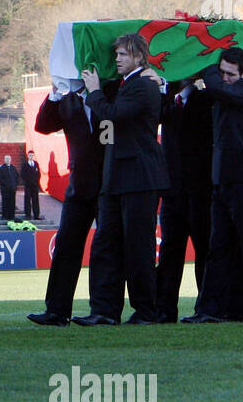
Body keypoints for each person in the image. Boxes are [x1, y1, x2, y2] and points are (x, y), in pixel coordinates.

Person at [73, 33, 169, 326]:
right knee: (106, 245)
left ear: (140, 57)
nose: (116, 60)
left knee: (138, 247)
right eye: (115, 55)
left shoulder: (144, 87)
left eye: (123, 55)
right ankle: (104, 310)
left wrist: (94, 90)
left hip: (140, 178)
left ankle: (146, 311)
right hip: (117, 178)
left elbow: (112, 115)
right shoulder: (130, 85)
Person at [181, 49, 243, 323]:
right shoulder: (225, 92)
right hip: (224, 181)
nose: (224, 78)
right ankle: (209, 309)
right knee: (218, 248)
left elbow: (217, 87)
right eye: (222, 72)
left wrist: (205, 64)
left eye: (230, 74)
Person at [26, 79, 112, 326]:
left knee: (104, 249)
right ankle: (56, 310)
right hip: (78, 185)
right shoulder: (67, 102)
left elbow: (110, 136)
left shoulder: (106, 97)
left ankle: (103, 310)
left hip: (107, 184)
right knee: (65, 246)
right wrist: (53, 93)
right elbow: (42, 126)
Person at [155, 78, 215, 323]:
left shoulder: (205, 100)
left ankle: (206, 308)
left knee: (205, 251)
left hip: (201, 192)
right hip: (172, 193)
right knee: (170, 252)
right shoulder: (167, 101)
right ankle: (164, 310)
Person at [0, 154, 21, 220]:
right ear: (4, 160)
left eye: (9, 159)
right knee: (5, 202)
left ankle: (11, 216)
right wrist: (5, 184)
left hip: (12, 189)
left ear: (11, 159)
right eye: (6, 159)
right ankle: (5, 216)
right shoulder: (1, 168)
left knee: (12, 203)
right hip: (5, 189)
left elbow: (17, 177)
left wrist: (15, 185)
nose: (8, 160)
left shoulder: (13, 168)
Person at [22, 150, 42, 219]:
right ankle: (28, 215)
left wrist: (36, 182)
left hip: (35, 186)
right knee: (27, 200)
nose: (31, 157)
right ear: (28, 156)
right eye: (30, 155)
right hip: (28, 186)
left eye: (32, 155)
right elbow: (23, 174)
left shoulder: (36, 164)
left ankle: (36, 215)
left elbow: (38, 174)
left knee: (35, 200)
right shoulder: (25, 164)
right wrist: (27, 181)